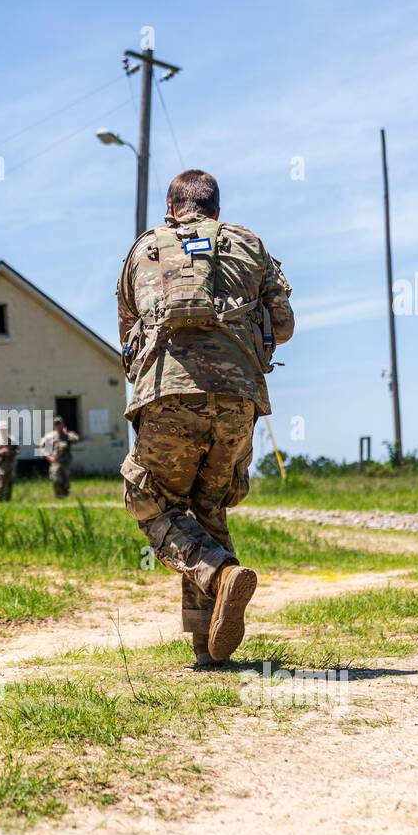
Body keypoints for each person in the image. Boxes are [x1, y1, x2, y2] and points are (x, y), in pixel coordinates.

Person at [117, 169, 294, 666]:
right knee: (208, 509)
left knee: (150, 503)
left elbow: (127, 335)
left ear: (171, 208)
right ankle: (208, 649)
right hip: (238, 399)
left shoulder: (144, 249)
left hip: (167, 394)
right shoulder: (248, 244)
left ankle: (219, 574)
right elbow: (284, 326)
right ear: (216, 209)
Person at [39, 415, 80, 497]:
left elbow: (76, 439)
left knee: (66, 481)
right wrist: (49, 457)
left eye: (59, 423)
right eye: (56, 424)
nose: (58, 425)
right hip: (55, 462)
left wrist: (67, 435)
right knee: (56, 479)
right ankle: (59, 495)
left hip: (66, 462)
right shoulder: (50, 436)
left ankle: (65, 496)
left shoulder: (68, 435)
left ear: (63, 424)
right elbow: (41, 447)